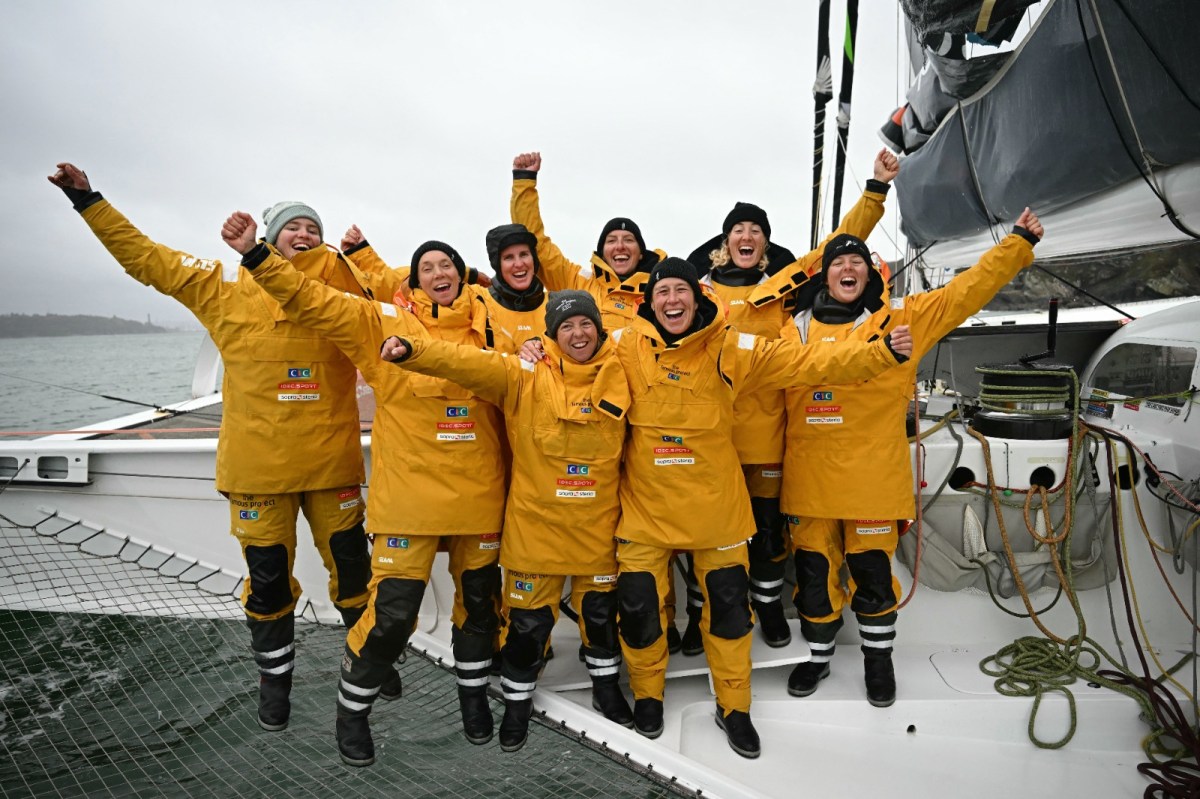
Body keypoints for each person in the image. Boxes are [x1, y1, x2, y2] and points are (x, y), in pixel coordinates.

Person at [46, 163, 395, 734]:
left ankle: (370, 660)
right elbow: (146, 259)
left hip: (332, 466)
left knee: (355, 573)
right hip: (258, 473)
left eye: (313, 228)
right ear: (269, 237)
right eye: (293, 227)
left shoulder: (341, 292)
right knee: (269, 581)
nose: (304, 234)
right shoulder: (221, 287)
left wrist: (359, 257)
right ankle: (274, 682)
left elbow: (405, 301)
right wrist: (89, 201)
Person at [588, 257, 912, 758]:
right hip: (646, 512)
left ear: (697, 297)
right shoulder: (625, 346)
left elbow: (811, 363)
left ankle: (734, 707)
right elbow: (571, 354)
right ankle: (649, 697)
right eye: (662, 292)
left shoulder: (731, 346)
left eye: (681, 290)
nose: (672, 300)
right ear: (649, 303)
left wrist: (880, 354)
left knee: (730, 615)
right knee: (639, 611)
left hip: (716, 511)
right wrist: (533, 349)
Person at [221, 212, 506, 767]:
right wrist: (257, 256)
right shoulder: (381, 322)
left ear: (463, 274)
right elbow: (313, 300)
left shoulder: (495, 324)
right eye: (426, 268)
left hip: (481, 497)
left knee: (479, 605)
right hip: (408, 503)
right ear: (411, 281)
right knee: (393, 614)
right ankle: (352, 712)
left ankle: (473, 701)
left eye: (447, 265)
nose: (439, 274)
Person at [780, 209, 1045, 708]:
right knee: (813, 574)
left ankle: (878, 663)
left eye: (857, 261)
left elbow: (965, 292)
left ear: (870, 274)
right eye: (838, 262)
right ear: (824, 274)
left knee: (873, 576)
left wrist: (1016, 245)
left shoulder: (904, 320)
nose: (847, 269)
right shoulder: (791, 330)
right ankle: (817, 656)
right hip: (808, 481)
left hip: (874, 481)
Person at [379, 290, 633, 751]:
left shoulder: (623, 370)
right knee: (527, 627)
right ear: (551, 334)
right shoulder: (522, 374)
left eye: (586, 324)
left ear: (600, 329)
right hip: (536, 528)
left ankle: (606, 687)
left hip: (599, 526)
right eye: (567, 326)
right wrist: (413, 349)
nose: (578, 334)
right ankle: (517, 703)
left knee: (600, 616)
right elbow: (464, 362)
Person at [677, 150, 901, 654]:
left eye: (756, 230)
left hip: (768, 436)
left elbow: (838, 248)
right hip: (711, 436)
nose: (747, 236)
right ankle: (699, 615)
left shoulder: (782, 288)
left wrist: (875, 190)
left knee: (769, 532)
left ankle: (769, 606)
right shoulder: (696, 294)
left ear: (765, 244)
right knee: (704, 531)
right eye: (739, 229)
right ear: (724, 241)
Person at [510, 151, 691, 651]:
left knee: (651, 529)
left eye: (628, 240)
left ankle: (665, 621)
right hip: (595, 428)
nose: (620, 246)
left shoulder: (661, 292)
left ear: (641, 249)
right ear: (601, 250)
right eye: (612, 240)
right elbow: (537, 244)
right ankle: (589, 633)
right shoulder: (582, 286)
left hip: (648, 425)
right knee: (613, 533)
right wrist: (525, 183)